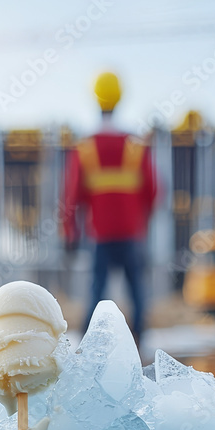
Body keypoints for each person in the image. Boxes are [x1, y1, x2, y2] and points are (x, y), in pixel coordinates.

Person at [63, 72, 157, 345]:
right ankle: (139, 334)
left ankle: (89, 338)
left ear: (95, 99)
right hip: (131, 232)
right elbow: (152, 191)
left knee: (97, 289)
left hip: (100, 234)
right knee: (136, 288)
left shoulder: (85, 148)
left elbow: (72, 197)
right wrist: (142, 224)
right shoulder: (135, 147)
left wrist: (70, 234)